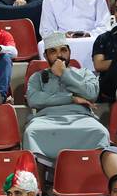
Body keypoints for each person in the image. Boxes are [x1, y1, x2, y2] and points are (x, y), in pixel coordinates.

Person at [24, 32, 109, 170]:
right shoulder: (38, 77)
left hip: (81, 118)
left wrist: (64, 74)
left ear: (69, 52)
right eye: (53, 51)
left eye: (63, 50)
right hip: (46, 119)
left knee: (100, 131)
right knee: (31, 132)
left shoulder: (84, 73)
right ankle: (38, 189)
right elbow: (34, 100)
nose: (59, 55)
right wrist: (71, 98)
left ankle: (95, 184)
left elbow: (91, 94)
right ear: (45, 56)